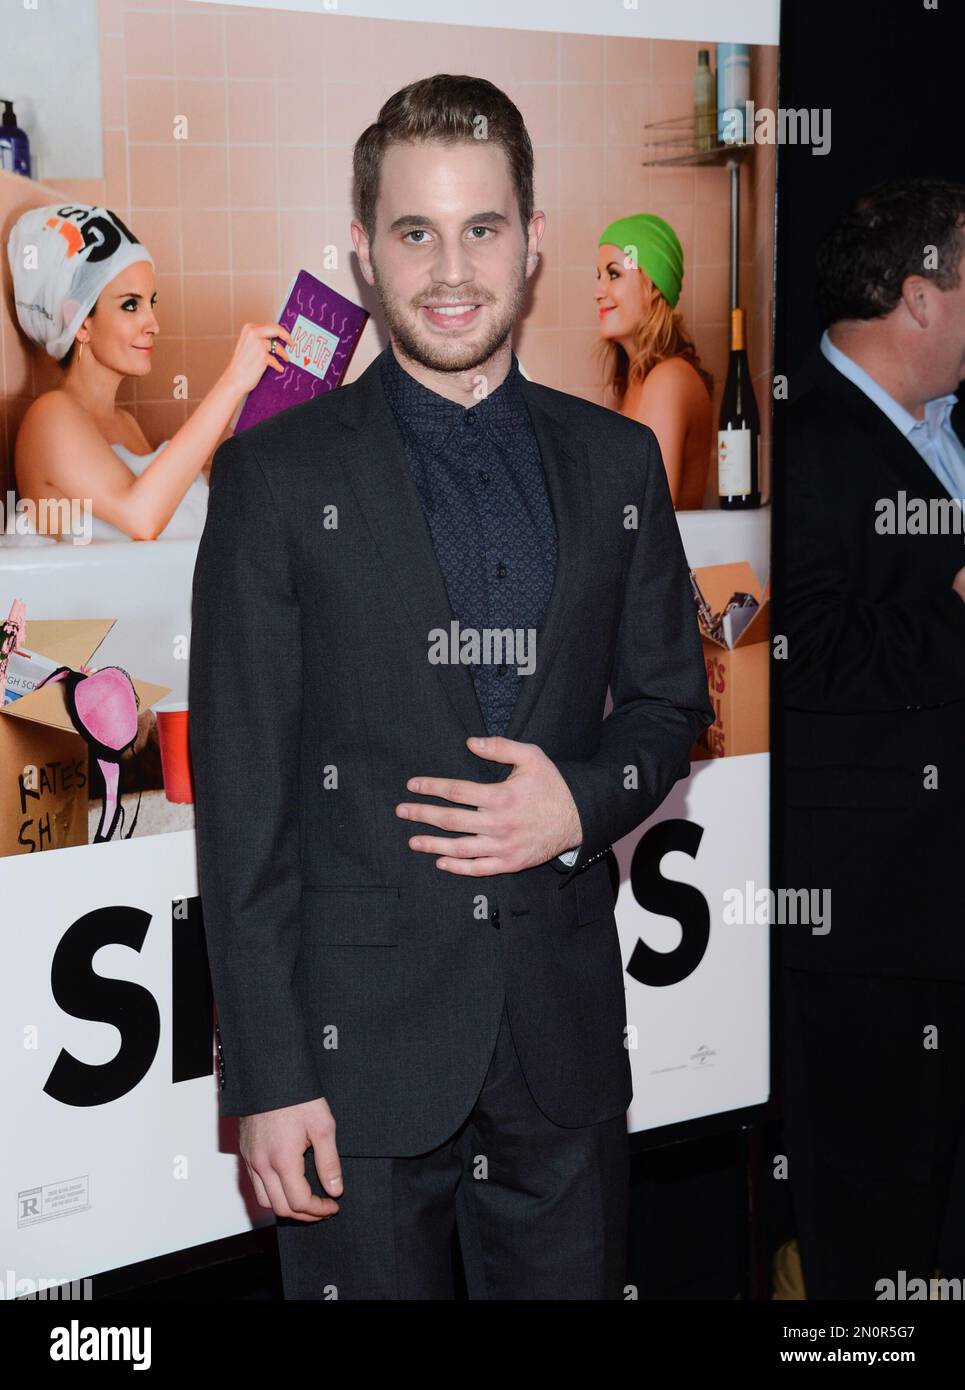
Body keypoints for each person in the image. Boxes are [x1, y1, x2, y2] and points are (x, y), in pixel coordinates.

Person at [189, 72, 714, 1301]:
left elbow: (666, 701)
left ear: (533, 242)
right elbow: (244, 802)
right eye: (413, 232)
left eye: (480, 228)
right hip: (349, 1067)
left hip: (562, 1047)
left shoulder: (618, 460)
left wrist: (579, 807)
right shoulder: (270, 480)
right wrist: (265, 1075)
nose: (448, 269)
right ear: (363, 250)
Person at [780, 177, 965, 1299]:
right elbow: (800, 650)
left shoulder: (944, 430)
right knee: (872, 1232)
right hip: (873, 927)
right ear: (919, 297)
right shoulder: (805, 433)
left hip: (942, 906)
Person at [7, 203, 292, 541]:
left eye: (150, 303)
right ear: (79, 322)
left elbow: (177, 489)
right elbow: (142, 516)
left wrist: (255, 414)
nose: (153, 324)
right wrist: (232, 381)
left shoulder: (124, 423)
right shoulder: (50, 417)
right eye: (130, 305)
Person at [595, 213, 713, 509]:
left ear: (655, 285)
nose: (598, 293)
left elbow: (650, 512)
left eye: (613, 274)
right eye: (598, 277)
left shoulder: (669, 379)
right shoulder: (636, 383)